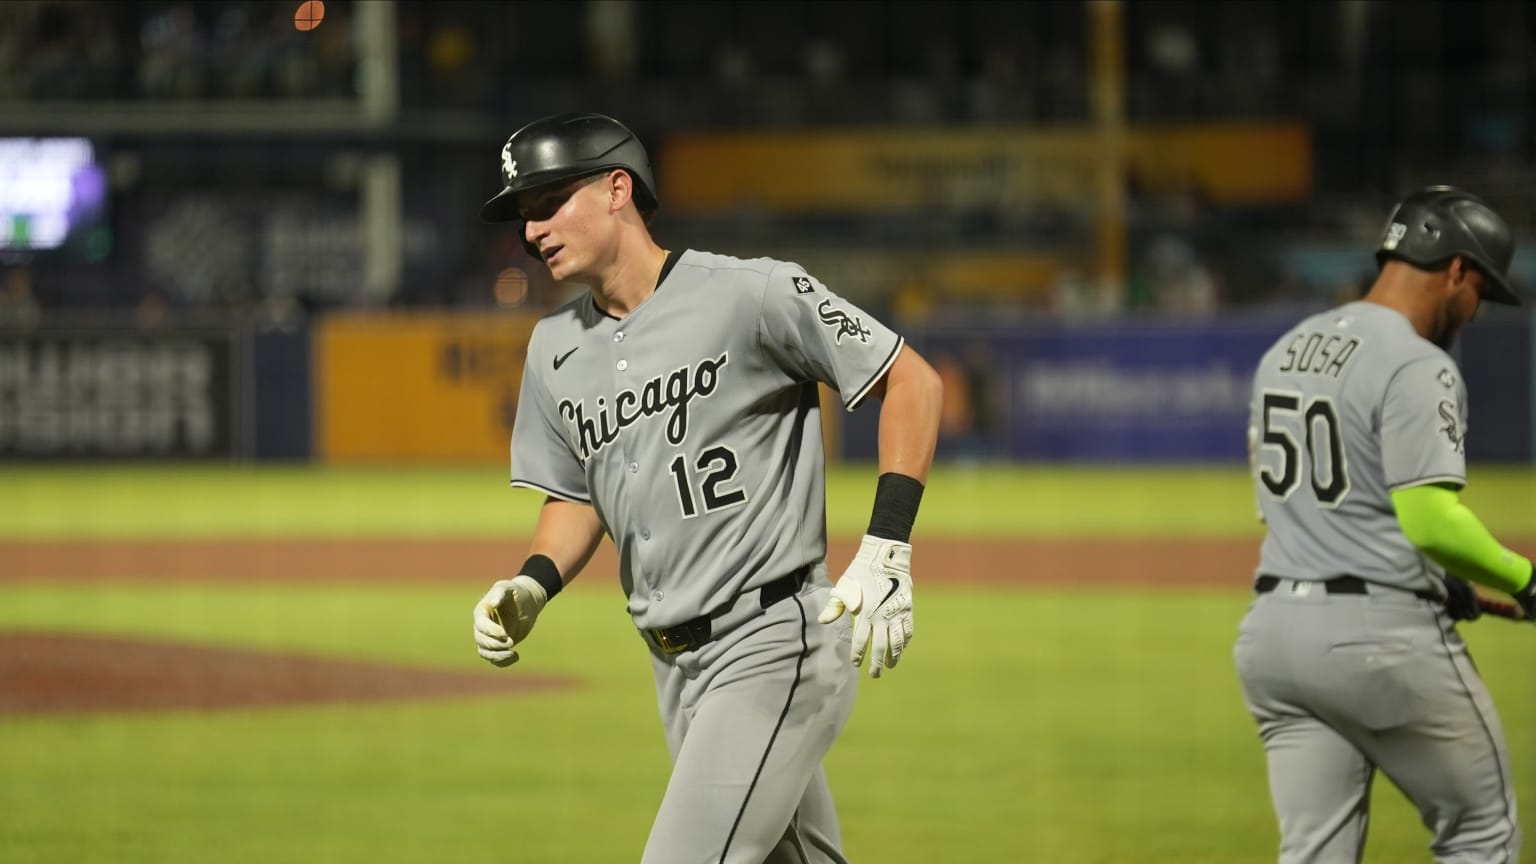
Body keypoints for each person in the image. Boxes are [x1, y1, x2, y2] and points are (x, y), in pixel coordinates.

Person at [469, 112, 943, 863]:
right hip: (675, 668)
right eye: (526, 214)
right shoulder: (553, 348)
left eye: (548, 203)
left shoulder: (751, 293)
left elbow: (911, 382)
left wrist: (887, 545)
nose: (533, 231)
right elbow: (578, 492)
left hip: (774, 638)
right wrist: (532, 585)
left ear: (617, 188)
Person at [1235, 185, 1534, 863]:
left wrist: (1428, 583)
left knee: (1315, 853)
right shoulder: (1417, 362)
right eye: (1482, 289)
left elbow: (1293, 511)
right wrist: (1527, 579)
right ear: (1456, 269)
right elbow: (1430, 523)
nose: (1478, 310)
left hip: (1273, 641)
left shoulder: (1285, 349)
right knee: (1482, 832)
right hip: (1378, 645)